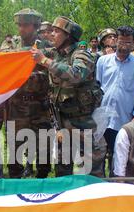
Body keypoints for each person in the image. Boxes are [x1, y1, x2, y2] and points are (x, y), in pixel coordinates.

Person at [31, 16, 107, 177]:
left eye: (56, 31)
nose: (51, 34)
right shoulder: (55, 53)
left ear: (68, 36)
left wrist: (44, 61)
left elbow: (77, 74)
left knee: (91, 171)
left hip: (84, 124)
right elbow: (26, 53)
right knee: (63, 170)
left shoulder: (82, 55)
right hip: (62, 122)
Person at [0, 8, 52, 179]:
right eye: (20, 25)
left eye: (26, 25)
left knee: (43, 147)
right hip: (16, 106)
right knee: (15, 148)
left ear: (35, 26)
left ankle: (42, 183)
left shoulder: (46, 47)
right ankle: (16, 182)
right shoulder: (10, 45)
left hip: (40, 106)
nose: (22, 29)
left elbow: (53, 71)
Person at [95, 25, 134, 177]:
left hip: (124, 118)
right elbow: (96, 88)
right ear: (115, 41)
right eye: (122, 41)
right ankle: (96, 187)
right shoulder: (103, 61)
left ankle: (115, 188)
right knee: (97, 157)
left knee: (119, 158)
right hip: (101, 118)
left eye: (128, 42)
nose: (124, 46)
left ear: (133, 43)